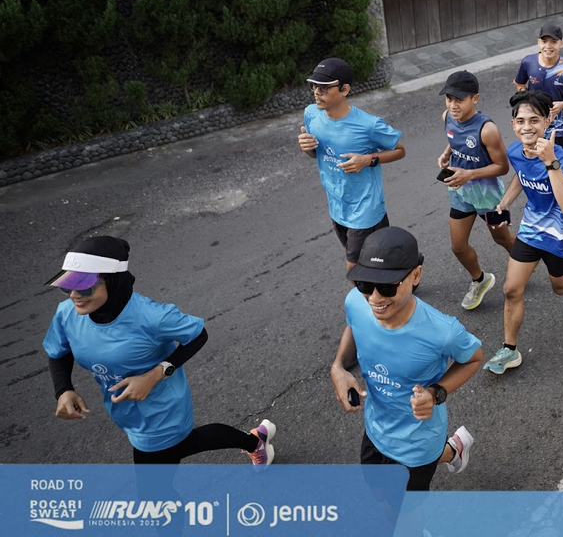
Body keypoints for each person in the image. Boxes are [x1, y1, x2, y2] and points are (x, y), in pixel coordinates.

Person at [43, 236, 276, 466]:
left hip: (162, 412)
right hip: (126, 412)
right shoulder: (67, 313)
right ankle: (255, 441)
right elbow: (59, 351)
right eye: (67, 285)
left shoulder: (153, 316)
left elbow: (198, 335)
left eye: (84, 287)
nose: (73, 295)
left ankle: (254, 442)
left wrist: (154, 375)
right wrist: (63, 389)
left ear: (113, 281)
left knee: (155, 483)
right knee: (188, 444)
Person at [330, 226, 483, 491]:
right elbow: (354, 323)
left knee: (403, 509)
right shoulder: (356, 302)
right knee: (378, 493)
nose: (374, 298)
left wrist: (435, 393)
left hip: (418, 444)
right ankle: (454, 450)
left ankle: (445, 452)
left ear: (416, 275)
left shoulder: (443, 331)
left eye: (386, 287)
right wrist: (338, 366)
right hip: (375, 430)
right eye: (364, 284)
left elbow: (474, 359)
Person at [482, 91, 563, 375]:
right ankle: (509, 350)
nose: (527, 126)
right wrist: (505, 202)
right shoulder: (515, 151)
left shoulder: (562, 159)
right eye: (521, 121)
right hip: (531, 230)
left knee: (561, 287)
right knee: (511, 289)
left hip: (558, 235)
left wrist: (550, 162)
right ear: (513, 124)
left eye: (534, 120)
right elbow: (520, 176)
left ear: (547, 122)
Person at [298, 58, 405, 277]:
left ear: (345, 89)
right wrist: (306, 148)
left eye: (324, 87)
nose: (316, 92)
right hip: (337, 205)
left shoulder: (369, 125)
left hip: (365, 208)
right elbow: (316, 154)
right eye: (314, 86)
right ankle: (405, 274)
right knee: (376, 259)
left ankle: (383, 294)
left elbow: (400, 150)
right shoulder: (311, 114)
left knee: (355, 270)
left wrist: (367, 160)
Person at [435, 70, 514, 310]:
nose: (453, 105)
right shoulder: (447, 117)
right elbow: (454, 138)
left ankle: (523, 263)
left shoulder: (487, 129)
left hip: (488, 194)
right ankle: (480, 280)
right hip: (460, 192)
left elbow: (502, 167)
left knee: (501, 237)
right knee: (458, 246)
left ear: (475, 98)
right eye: (449, 98)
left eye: (460, 99)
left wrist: (469, 174)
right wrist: (447, 153)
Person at [513, 24, 563, 150]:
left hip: (558, 126)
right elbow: (520, 84)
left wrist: (562, 105)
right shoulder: (528, 62)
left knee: (555, 158)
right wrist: (526, 100)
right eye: (544, 41)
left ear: (561, 43)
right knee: (533, 156)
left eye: (553, 42)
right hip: (534, 123)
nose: (548, 46)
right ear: (538, 42)